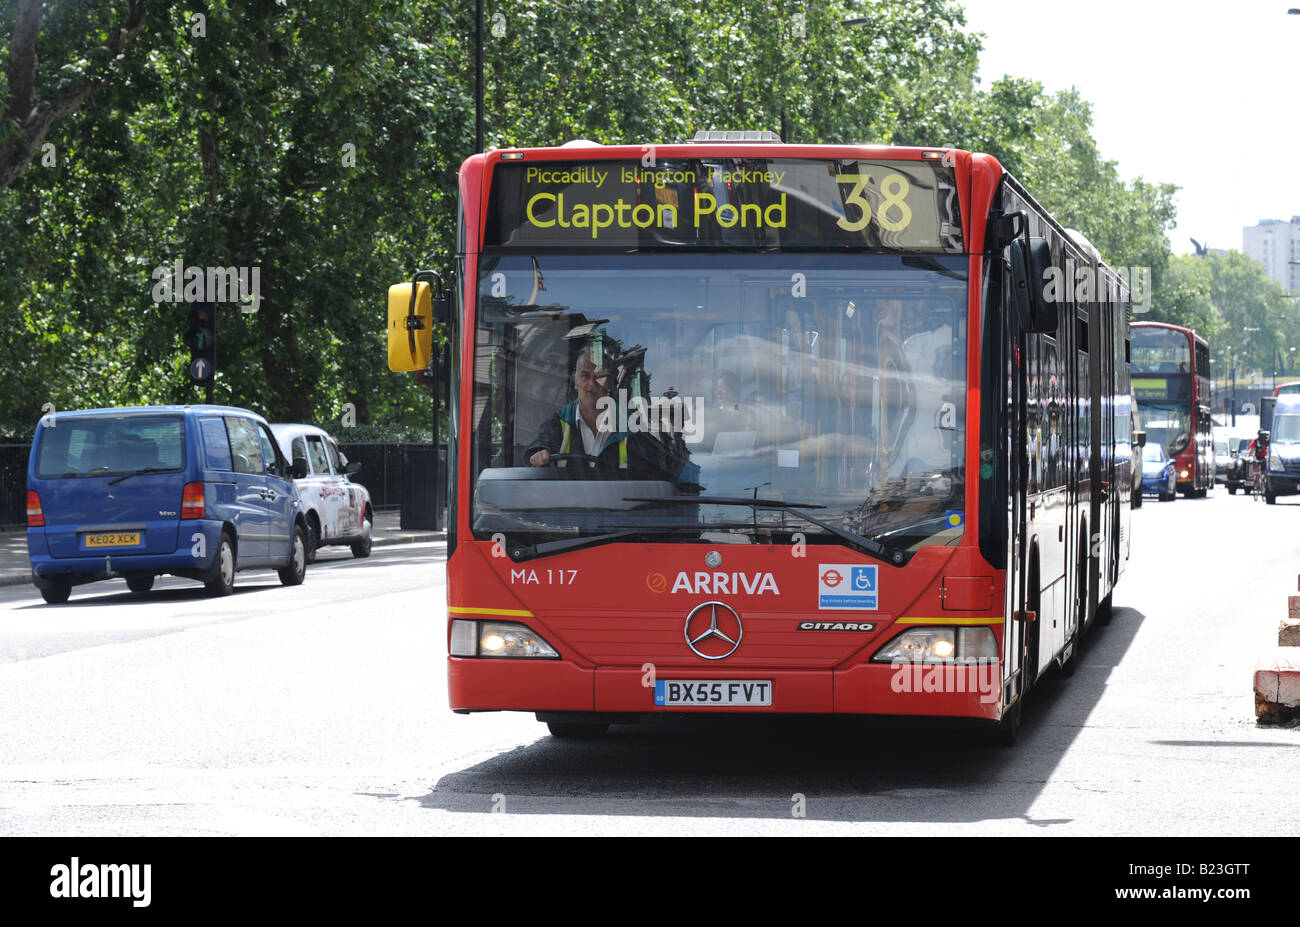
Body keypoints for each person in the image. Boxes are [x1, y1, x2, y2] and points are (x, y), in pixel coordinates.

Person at [527, 347, 698, 485]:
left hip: (620, 520)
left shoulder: (634, 429)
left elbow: (656, 480)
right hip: (568, 520)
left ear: (612, 384)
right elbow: (538, 449)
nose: (591, 385)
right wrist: (537, 455)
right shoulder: (557, 423)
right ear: (575, 381)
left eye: (600, 377)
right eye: (585, 376)